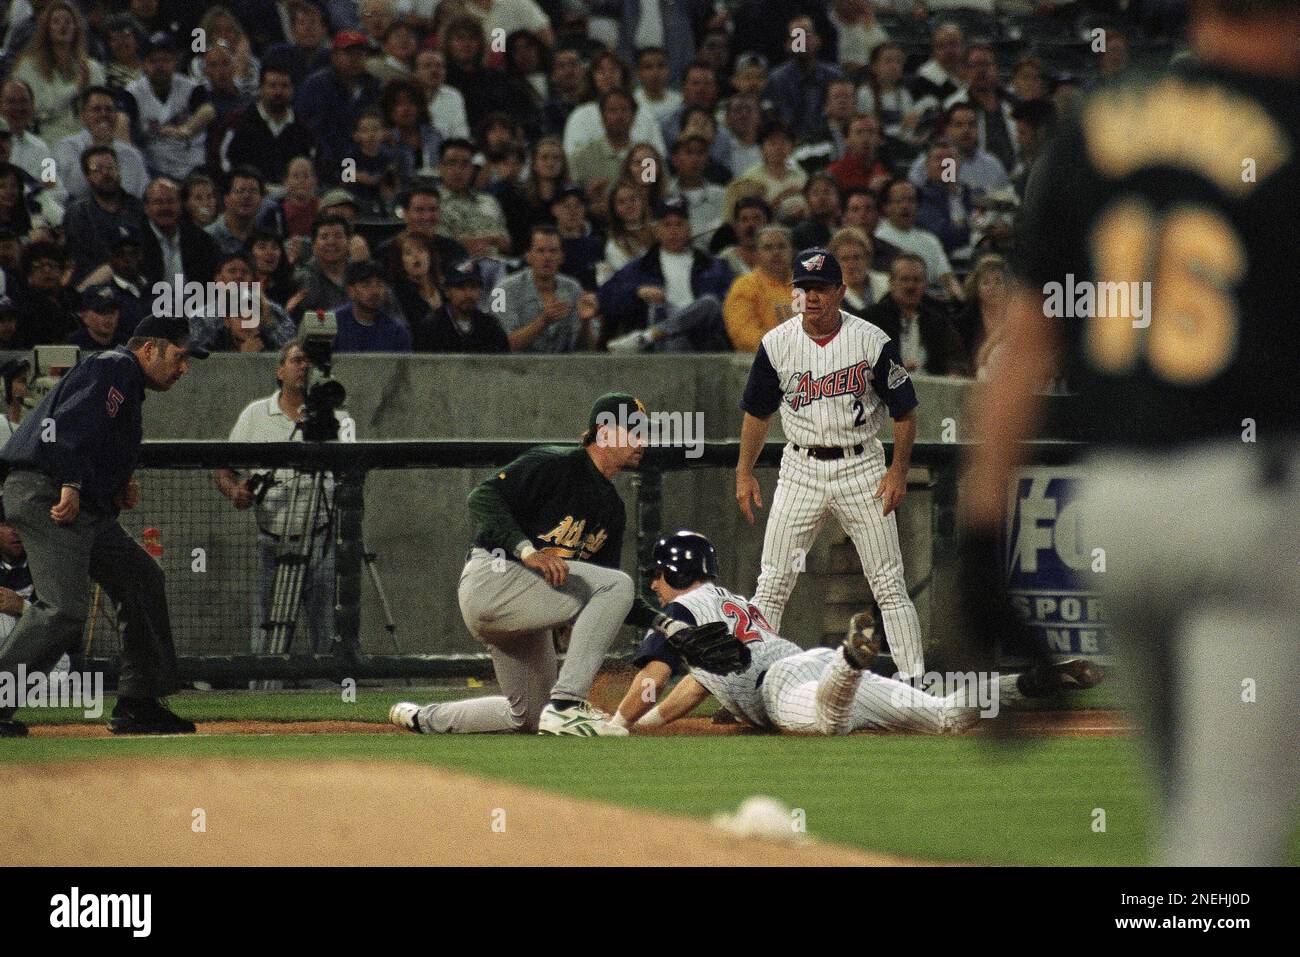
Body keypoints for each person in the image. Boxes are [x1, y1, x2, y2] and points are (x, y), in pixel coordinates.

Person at [959, 0, 1300, 867]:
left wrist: (979, 540)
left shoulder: (1103, 122)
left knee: (1184, 816)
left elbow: (1021, 349)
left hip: (1116, 509)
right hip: (1250, 506)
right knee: (1228, 847)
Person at [387, 393, 684, 737]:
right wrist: (527, 550)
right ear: (604, 433)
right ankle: (568, 705)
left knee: (529, 715)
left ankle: (423, 717)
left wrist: (667, 625)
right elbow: (482, 497)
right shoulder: (555, 463)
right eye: (633, 429)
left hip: (524, 608)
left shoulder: (612, 509)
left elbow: (609, 593)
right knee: (615, 585)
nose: (642, 440)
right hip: (493, 579)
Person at [609, 531, 1095, 733]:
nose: (653, 583)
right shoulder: (736, 601)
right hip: (807, 661)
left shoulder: (687, 608)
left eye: (657, 573)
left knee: (826, 722)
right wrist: (655, 722)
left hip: (784, 687)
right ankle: (1028, 683)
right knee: (945, 717)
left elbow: (656, 674)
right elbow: (699, 683)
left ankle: (852, 655)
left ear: (675, 572)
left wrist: (619, 724)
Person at [0, 316, 206, 738]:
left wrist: (116, 486)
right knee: (64, 610)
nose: (184, 368)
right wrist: (72, 484)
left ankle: (138, 703)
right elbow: (69, 429)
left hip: (82, 503)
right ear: (149, 349)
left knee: (141, 579)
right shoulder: (114, 365)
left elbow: (94, 438)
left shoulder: (126, 381)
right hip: (48, 492)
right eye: (180, 356)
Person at [734, 247, 925, 680]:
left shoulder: (872, 341)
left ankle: (913, 682)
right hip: (800, 468)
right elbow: (757, 414)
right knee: (774, 581)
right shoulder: (776, 343)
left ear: (841, 291)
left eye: (821, 288)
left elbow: (905, 412)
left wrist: (897, 471)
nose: (812, 296)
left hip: (862, 468)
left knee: (888, 582)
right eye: (803, 288)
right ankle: (747, 682)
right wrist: (744, 472)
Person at [214, 341, 355, 677]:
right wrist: (236, 492)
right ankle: (262, 697)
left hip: (320, 538)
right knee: (266, 626)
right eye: (296, 360)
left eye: (308, 362)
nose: (302, 367)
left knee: (325, 629)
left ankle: (330, 703)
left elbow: (352, 471)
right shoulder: (256, 414)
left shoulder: (338, 418)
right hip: (272, 539)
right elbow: (223, 469)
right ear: (280, 370)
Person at [598, 195, 733, 352]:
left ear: (689, 228)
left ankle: (648, 336)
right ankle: (657, 334)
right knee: (675, 335)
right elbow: (605, 297)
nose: (673, 231)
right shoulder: (641, 266)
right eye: (667, 225)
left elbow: (732, 301)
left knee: (710, 303)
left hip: (705, 336)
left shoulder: (713, 265)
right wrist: (637, 292)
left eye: (679, 224)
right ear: (656, 230)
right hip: (667, 340)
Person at [124, 31, 214, 182]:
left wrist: (185, 130)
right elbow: (122, 121)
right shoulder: (132, 92)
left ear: (175, 61)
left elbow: (208, 110)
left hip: (192, 168)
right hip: (153, 170)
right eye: (153, 61)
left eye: (165, 60)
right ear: (144, 64)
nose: (160, 66)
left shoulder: (191, 87)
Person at [492, 225, 598, 352]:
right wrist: (543, 320)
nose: (547, 257)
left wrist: (585, 323)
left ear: (561, 257)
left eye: (553, 251)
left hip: (563, 369)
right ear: (528, 256)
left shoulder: (574, 288)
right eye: (540, 251)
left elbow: (589, 349)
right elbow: (500, 346)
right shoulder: (501, 291)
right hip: (516, 369)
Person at [863, 253, 970, 376]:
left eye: (916, 280)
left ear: (926, 284)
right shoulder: (870, 320)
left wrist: (954, 372)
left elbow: (956, 359)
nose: (910, 286)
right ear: (891, 283)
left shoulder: (939, 321)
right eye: (904, 279)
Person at [223, 63, 317, 186]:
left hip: (292, 196)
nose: (278, 92)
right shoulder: (239, 121)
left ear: (292, 89)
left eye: (284, 86)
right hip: (249, 195)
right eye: (272, 86)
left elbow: (312, 164)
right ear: (261, 88)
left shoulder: (303, 127)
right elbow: (224, 160)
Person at [53, 86, 150, 202]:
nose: (104, 114)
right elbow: (60, 189)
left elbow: (145, 195)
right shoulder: (65, 147)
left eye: (109, 109)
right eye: (96, 109)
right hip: (78, 215)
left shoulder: (132, 155)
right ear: (83, 116)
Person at [874, 177, 962, 302]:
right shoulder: (878, 238)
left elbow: (947, 276)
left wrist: (959, 298)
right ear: (885, 206)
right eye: (899, 201)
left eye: (911, 201)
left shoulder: (930, 240)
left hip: (932, 303)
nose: (905, 206)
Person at [414, 257, 509, 353]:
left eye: (473, 287)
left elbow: (504, 363)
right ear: (447, 291)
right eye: (460, 287)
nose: (468, 294)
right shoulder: (431, 327)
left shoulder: (489, 326)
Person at [723, 225, 794, 352]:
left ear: (792, 251)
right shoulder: (744, 286)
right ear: (756, 254)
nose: (776, 252)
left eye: (782, 247)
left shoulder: (809, 285)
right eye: (768, 248)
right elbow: (744, 335)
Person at [333, 259, 412, 352]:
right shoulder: (333, 323)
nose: (374, 291)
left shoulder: (397, 331)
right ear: (351, 291)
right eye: (366, 284)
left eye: (380, 284)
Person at [207, 165, 265, 256]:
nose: (247, 196)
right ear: (226, 198)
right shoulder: (208, 237)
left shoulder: (265, 238)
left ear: (261, 199)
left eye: (253, 191)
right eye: (240, 191)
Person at [65, 282, 129, 352]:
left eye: (112, 312)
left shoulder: (125, 343)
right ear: (85, 315)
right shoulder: (73, 344)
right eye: (101, 311)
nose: (108, 317)